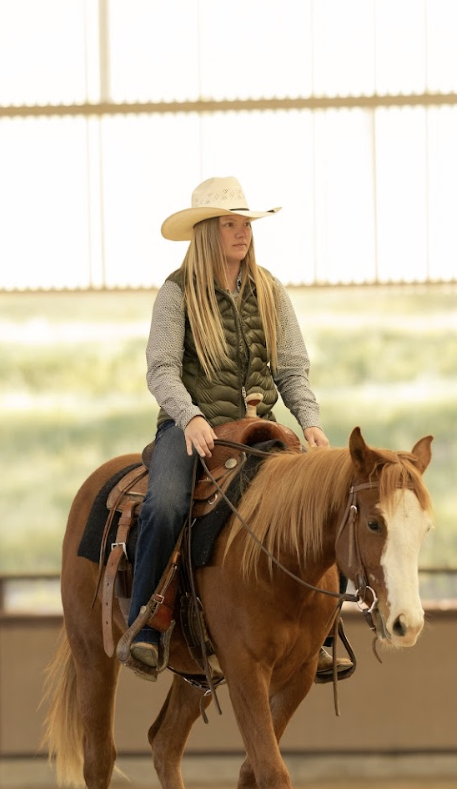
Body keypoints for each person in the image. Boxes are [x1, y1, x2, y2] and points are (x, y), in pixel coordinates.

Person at [122, 176, 350, 680]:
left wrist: (309, 423)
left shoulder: (269, 290)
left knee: (317, 502)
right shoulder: (177, 293)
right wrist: (191, 417)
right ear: (208, 232)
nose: (242, 233)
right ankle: (147, 625)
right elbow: (161, 370)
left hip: (260, 429)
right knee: (166, 505)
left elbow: (291, 370)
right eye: (230, 224)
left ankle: (323, 629)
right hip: (189, 428)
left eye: (245, 224)